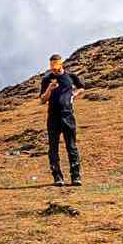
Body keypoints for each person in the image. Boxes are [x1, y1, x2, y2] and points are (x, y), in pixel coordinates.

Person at [38, 54, 86, 187]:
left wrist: (73, 95)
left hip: (68, 115)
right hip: (53, 117)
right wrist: (49, 89)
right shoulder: (47, 79)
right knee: (53, 147)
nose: (54, 70)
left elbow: (82, 87)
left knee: (71, 146)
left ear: (61, 64)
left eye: (56, 67)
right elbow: (42, 100)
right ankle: (57, 177)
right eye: (52, 67)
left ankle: (75, 177)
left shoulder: (71, 76)